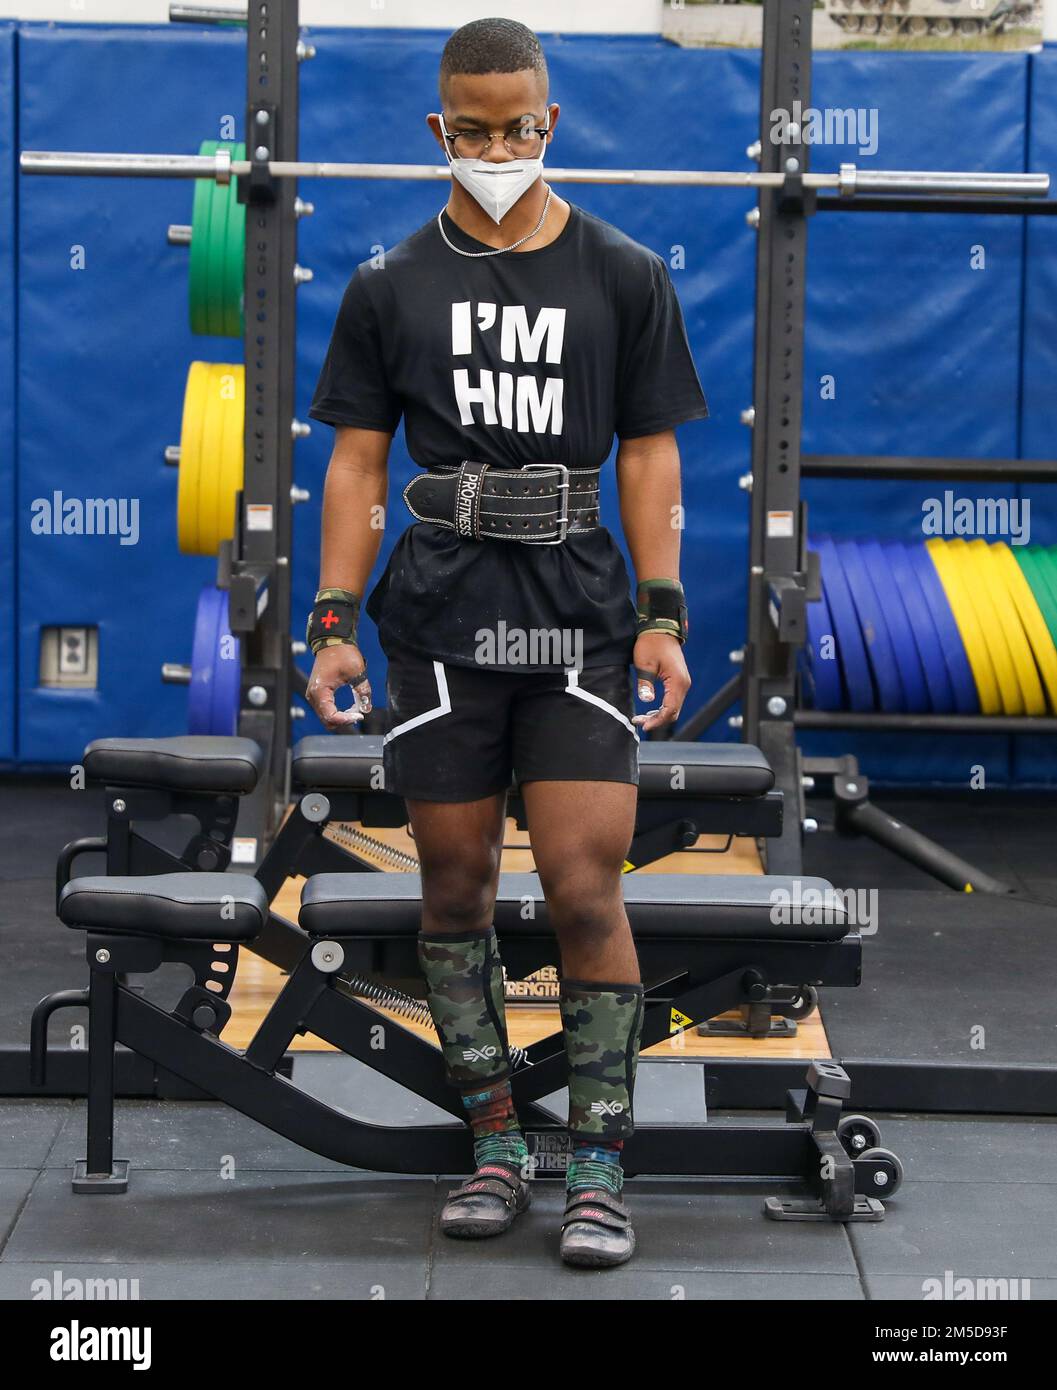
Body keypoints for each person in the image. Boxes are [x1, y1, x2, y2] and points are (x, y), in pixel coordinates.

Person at [305, 17, 707, 1269]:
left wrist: (662, 610)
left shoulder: (624, 273)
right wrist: (331, 617)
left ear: (550, 122)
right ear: (440, 128)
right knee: (455, 889)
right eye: (471, 129)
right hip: (433, 617)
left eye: (516, 127)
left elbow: (649, 452)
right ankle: (494, 1143)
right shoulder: (387, 287)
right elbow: (357, 461)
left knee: (586, 883)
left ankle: (598, 1167)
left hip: (580, 611)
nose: (495, 148)